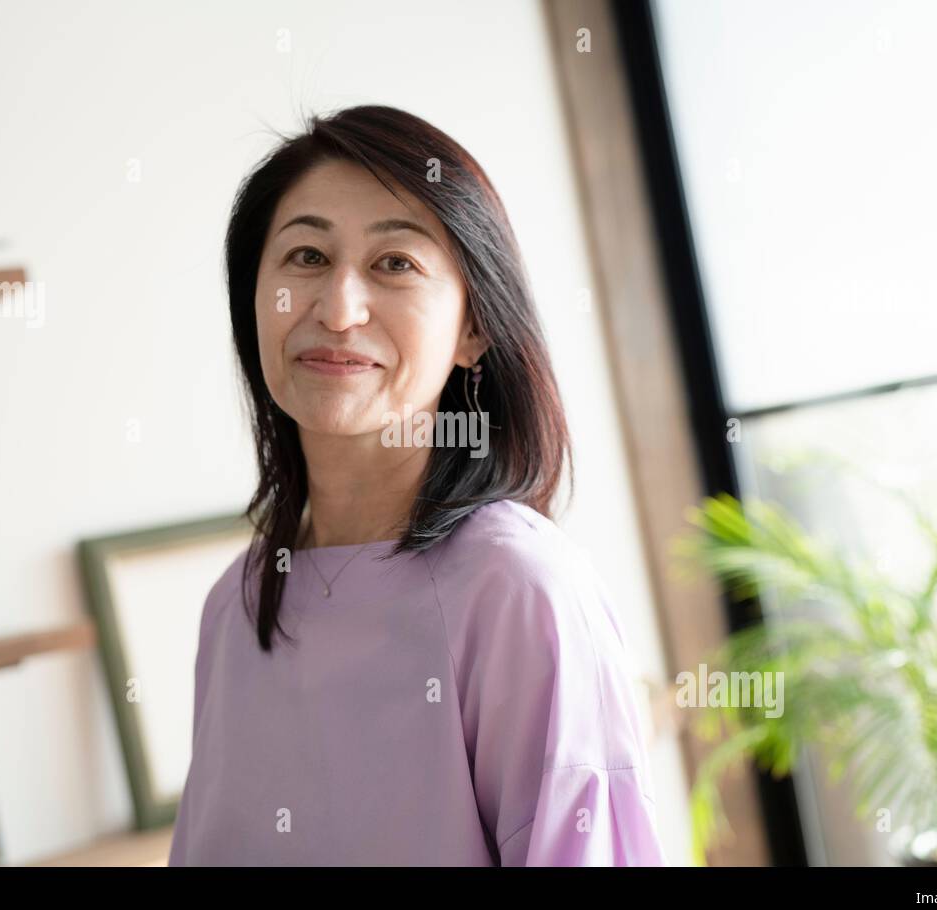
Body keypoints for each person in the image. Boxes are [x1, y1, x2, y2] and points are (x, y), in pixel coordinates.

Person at [168, 104, 664, 866]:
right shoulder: (234, 607)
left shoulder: (518, 588)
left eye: (394, 264)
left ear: (474, 330)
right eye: (305, 257)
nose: (337, 309)